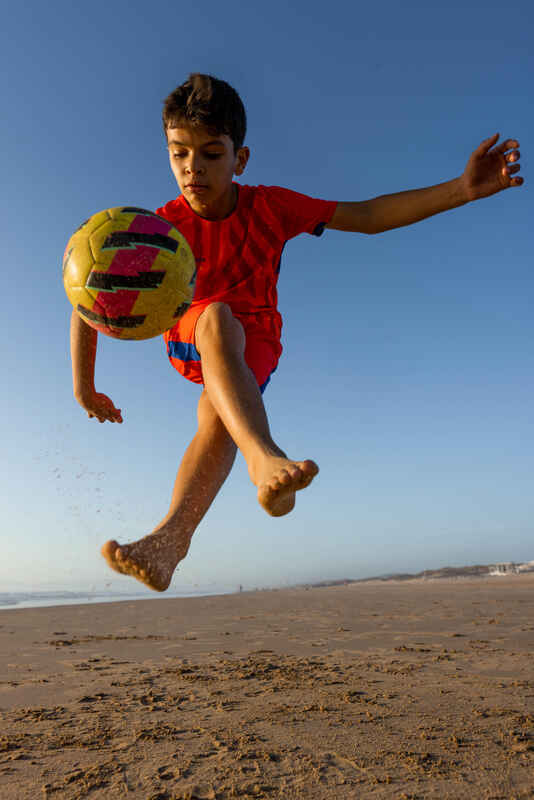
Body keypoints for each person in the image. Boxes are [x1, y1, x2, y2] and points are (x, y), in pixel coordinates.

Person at [70, 74, 523, 592]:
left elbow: (368, 215)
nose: (193, 167)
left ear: (240, 160)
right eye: (180, 154)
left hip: (258, 340)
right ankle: (264, 460)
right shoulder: (158, 231)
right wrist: (85, 386)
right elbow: (89, 292)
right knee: (215, 318)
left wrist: (461, 190)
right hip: (191, 334)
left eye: (211, 154)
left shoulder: (270, 206)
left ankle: (169, 542)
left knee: (217, 414)